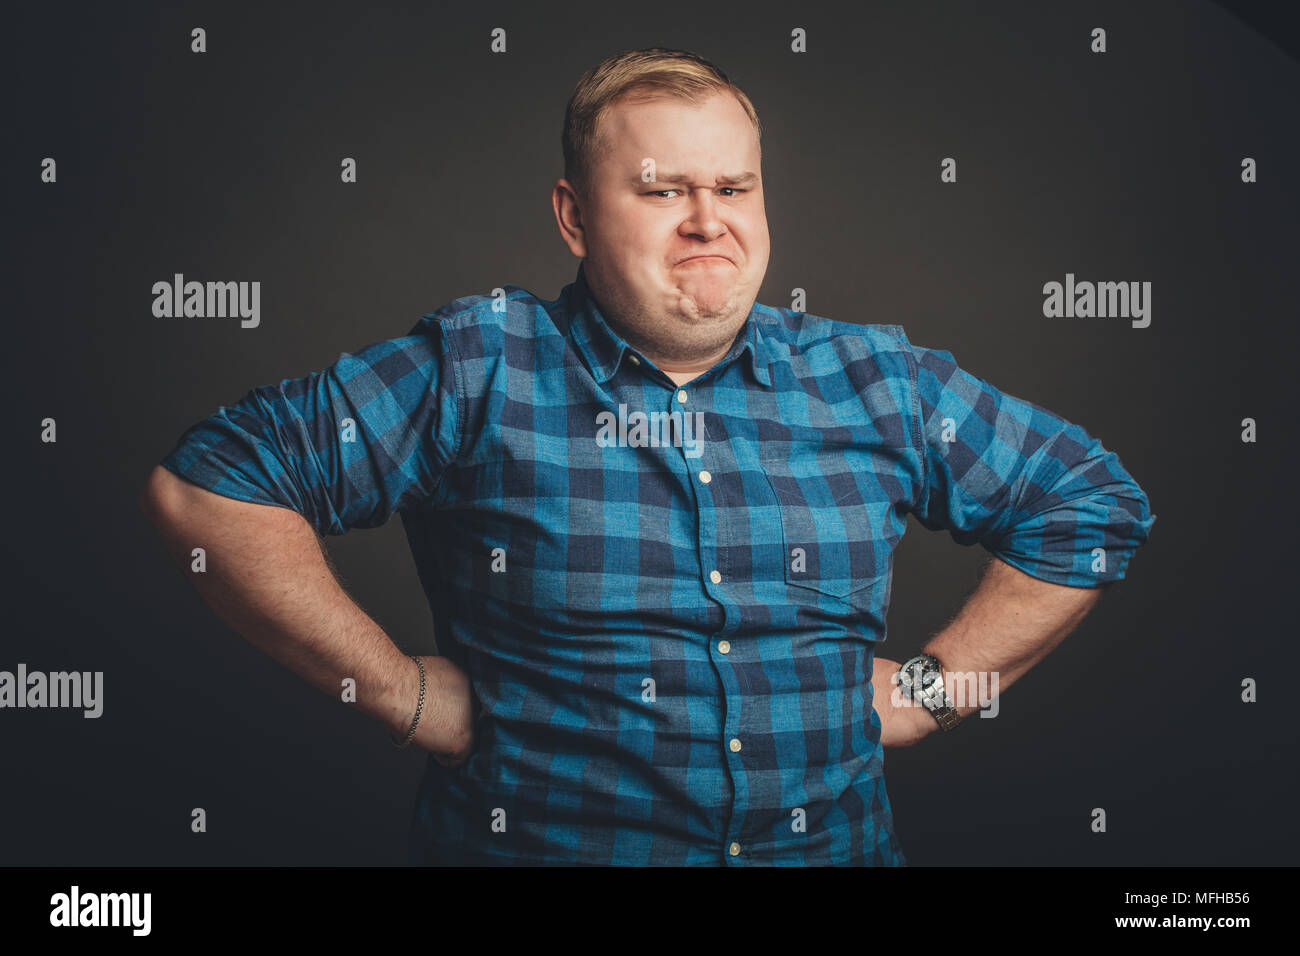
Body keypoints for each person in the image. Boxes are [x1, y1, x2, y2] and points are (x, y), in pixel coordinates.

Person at [139, 47, 1156, 866]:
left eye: (733, 186)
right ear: (574, 216)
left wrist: (938, 691)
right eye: (663, 190)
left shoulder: (872, 378)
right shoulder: (479, 365)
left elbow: (1087, 500)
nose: (708, 219)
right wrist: (395, 692)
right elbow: (209, 487)